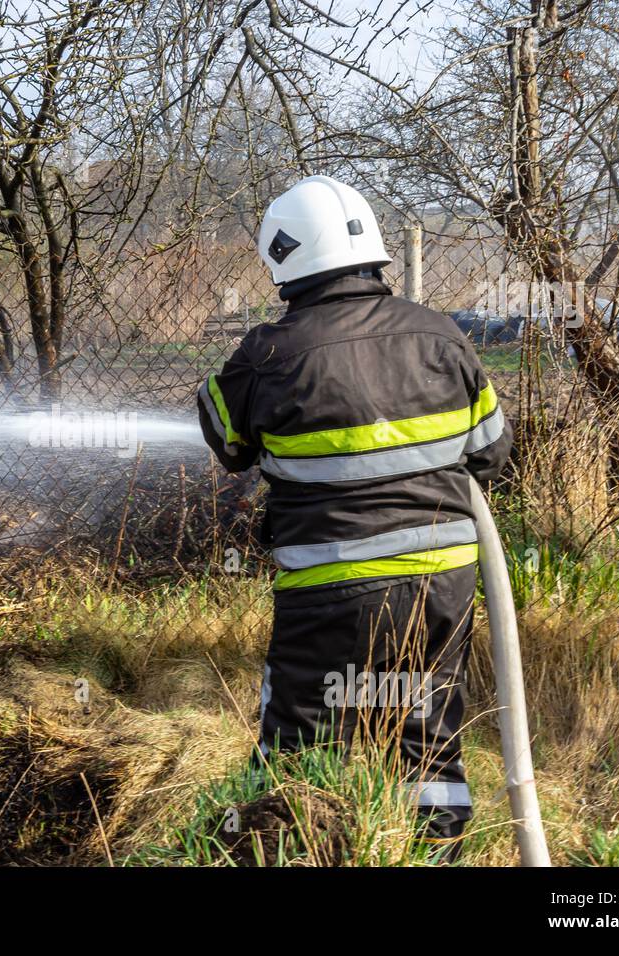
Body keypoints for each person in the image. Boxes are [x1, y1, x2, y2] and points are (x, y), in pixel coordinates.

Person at [197, 176, 513, 862]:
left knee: (298, 737)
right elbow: (492, 452)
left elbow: (226, 443)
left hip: (327, 590)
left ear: (284, 256)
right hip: (441, 585)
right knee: (427, 737)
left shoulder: (266, 354)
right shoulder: (440, 336)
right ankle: (434, 856)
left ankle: (284, 851)